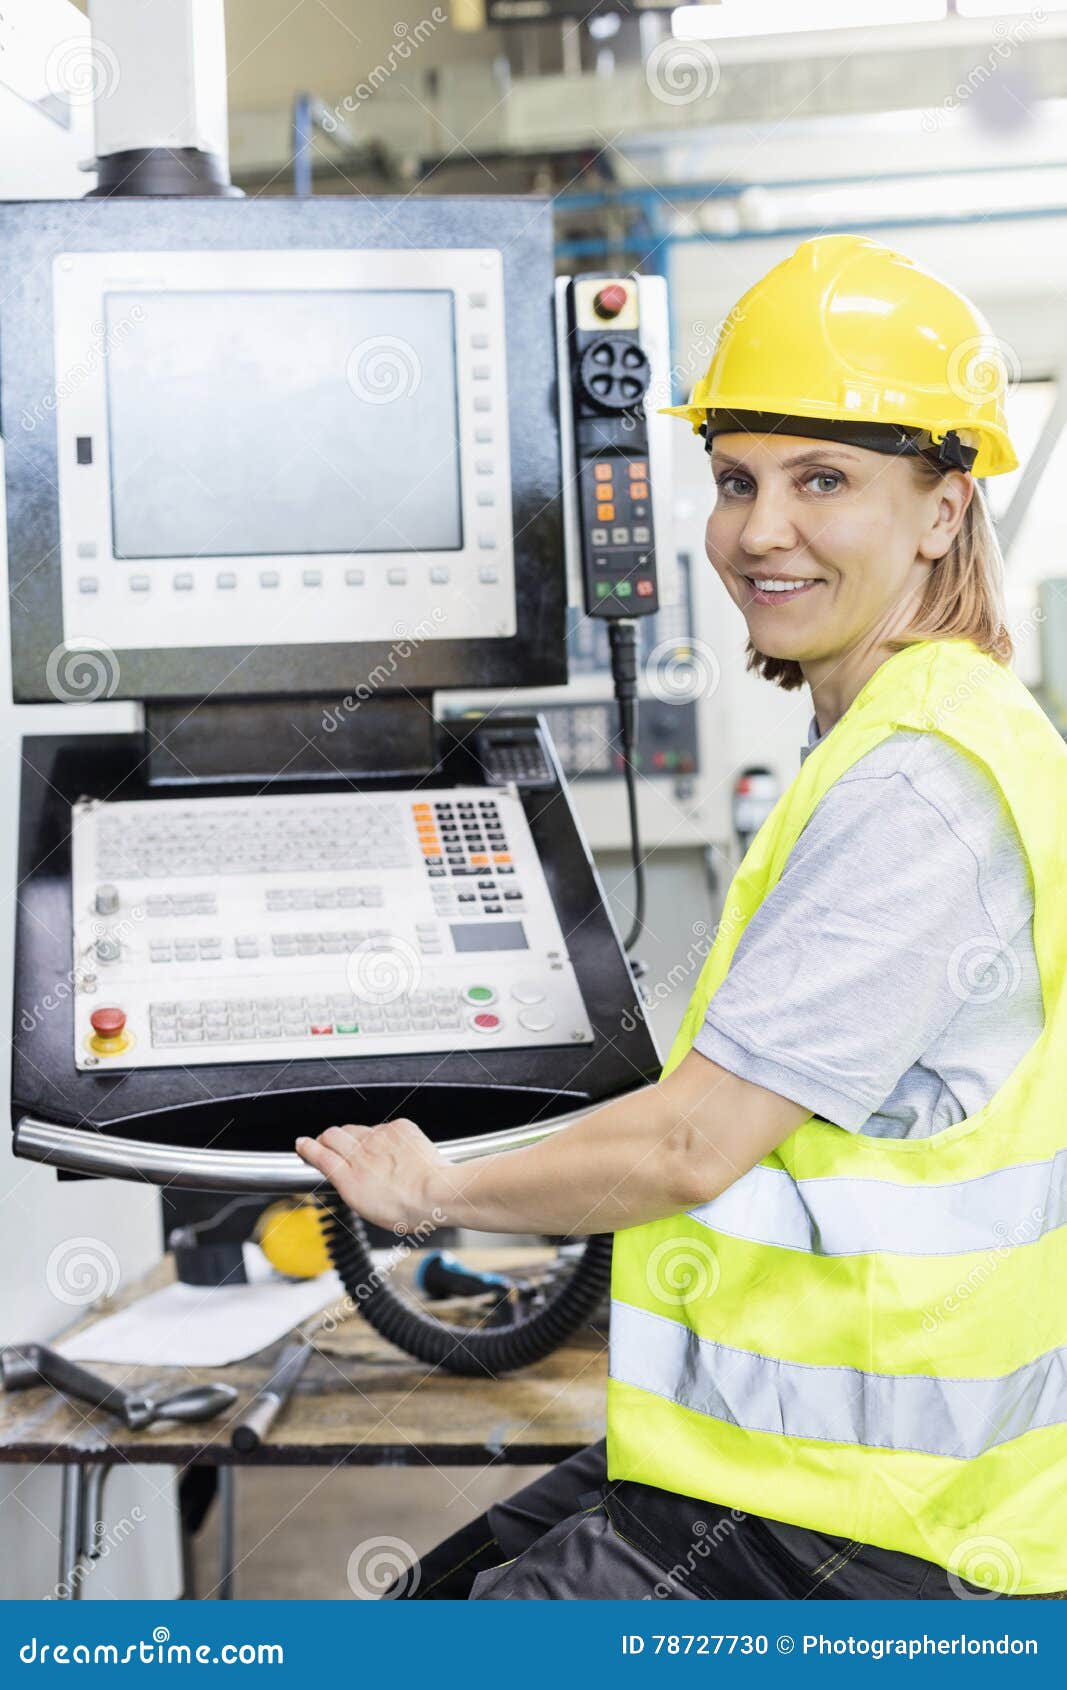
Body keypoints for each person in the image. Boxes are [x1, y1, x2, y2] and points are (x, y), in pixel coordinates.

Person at [296, 234, 1067, 1600]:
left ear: (944, 510)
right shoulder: (894, 741)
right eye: (735, 481)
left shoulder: (924, 781)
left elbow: (693, 1140)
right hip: (791, 1463)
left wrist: (437, 1191)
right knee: (421, 1606)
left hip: (877, 1519)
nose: (759, 529)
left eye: (821, 480)